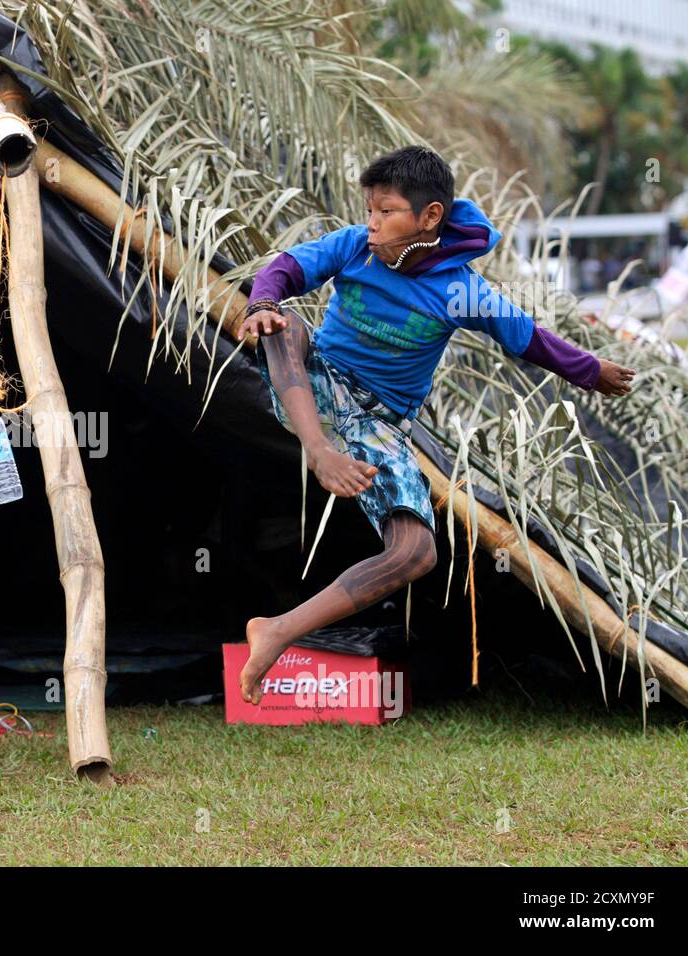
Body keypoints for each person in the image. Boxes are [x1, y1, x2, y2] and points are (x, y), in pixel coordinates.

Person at [235, 145, 635, 705]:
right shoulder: (354, 246)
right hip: (318, 389)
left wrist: (591, 371)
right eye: (369, 209)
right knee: (282, 326)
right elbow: (285, 267)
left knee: (416, 553)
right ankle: (318, 449)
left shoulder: (461, 291)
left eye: (387, 212)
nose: (371, 224)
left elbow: (528, 337)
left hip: (379, 424)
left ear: (429, 218)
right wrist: (263, 302)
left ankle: (277, 629)